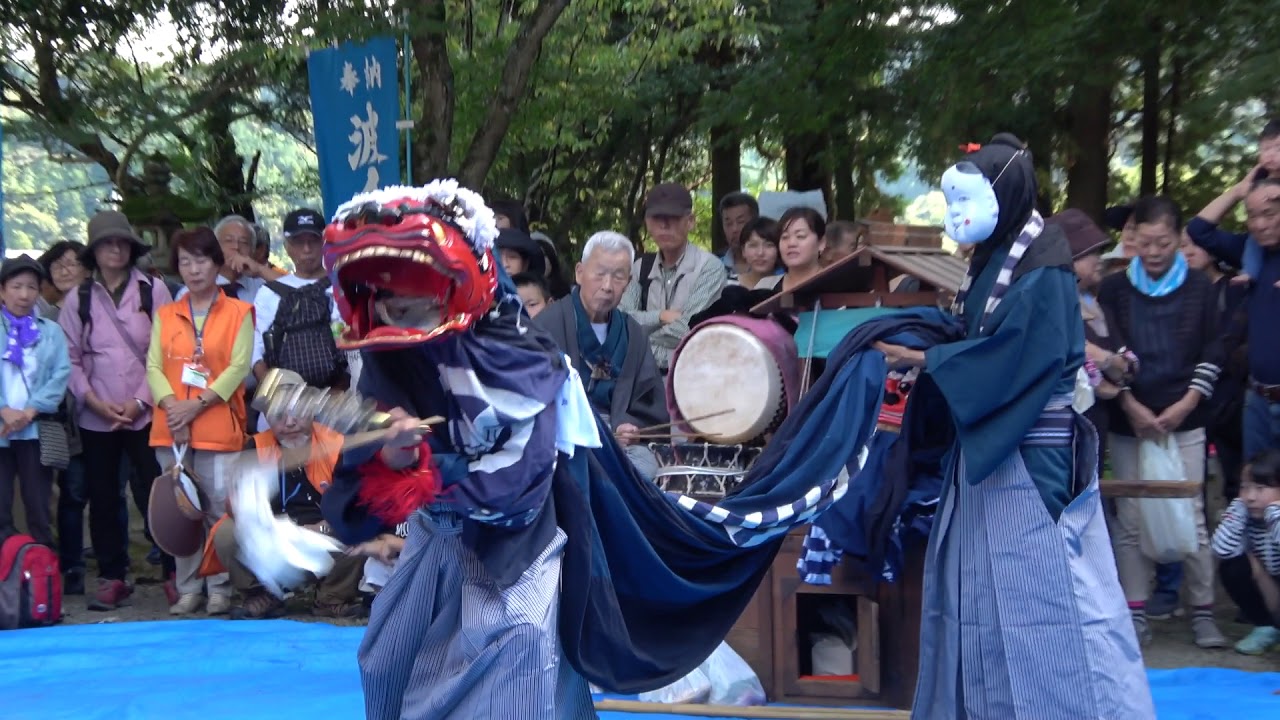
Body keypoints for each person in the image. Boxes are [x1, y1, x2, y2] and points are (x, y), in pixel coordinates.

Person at [873, 134, 1153, 719]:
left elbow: (1020, 353)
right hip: (992, 451)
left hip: (1032, 458)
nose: (956, 218)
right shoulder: (998, 256)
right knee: (980, 595)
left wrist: (932, 362)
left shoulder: (1045, 268)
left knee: (1045, 597)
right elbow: (980, 338)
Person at [1097, 196, 1228, 648]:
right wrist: (1131, 406)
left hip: (1185, 416)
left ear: (1178, 240)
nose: (1153, 252)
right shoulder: (1112, 290)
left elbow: (1214, 351)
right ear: (1131, 239)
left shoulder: (1201, 289)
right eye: (1145, 242)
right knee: (1131, 516)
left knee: (1190, 512)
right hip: (1130, 419)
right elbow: (1110, 354)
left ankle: (1203, 610)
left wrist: (1187, 404)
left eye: (1163, 243)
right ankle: (1135, 611)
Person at [59, 210, 176, 611]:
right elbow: (69, 358)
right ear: (94, 251)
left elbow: (164, 351)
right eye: (107, 243)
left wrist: (140, 400)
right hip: (96, 414)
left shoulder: (152, 290)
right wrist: (92, 400)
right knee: (104, 496)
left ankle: (174, 573)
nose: (115, 248)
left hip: (145, 410)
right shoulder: (78, 298)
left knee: (156, 492)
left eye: (122, 242)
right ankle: (113, 575)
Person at [147, 226, 255, 616]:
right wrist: (171, 403)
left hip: (215, 422)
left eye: (201, 260)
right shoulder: (166, 314)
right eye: (185, 262)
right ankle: (188, 587)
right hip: (172, 426)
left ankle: (220, 586)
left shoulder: (239, 311)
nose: (193, 270)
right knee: (180, 511)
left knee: (215, 510)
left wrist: (198, 404)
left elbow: (238, 367)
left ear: (217, 264)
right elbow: (154, 365)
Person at [534, 231, 668, 480]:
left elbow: (650, 401)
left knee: (644, 468)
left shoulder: (633, 333)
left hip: (618, 437)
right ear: (579, 272)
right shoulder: (547, 325)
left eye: (618, 277)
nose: (607, 286)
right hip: (565, 438)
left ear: (627, 283)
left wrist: (632, 427)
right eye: (599, 274)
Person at [209, 410, 365, 620]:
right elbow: (240, 506)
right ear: (267, 419)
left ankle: (332, 598)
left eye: (297, 414)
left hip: (324, 531)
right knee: (227, 532)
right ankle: (261, 596)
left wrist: (322, 526)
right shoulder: (255, 447)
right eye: (280, 416)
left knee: (359, 527)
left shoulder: (336, 443)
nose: (290, 423)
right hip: (274, 535)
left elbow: (353, 502)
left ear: (311, 412)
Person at [0, 256, 71, 547]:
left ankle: (42, 576)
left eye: (31, 286)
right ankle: (7, 580)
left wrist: (30, 411)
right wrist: (4, 409)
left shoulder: (50, 331)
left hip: (35, 429)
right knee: (1, 507)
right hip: (2, 429)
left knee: (39, 507)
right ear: (2, 291)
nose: (24, 294)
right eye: (16, 286)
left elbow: (61, 374)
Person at [620, 182, 726, 373]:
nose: (664, 225)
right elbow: (621, 319)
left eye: (674, 218)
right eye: (657, 217)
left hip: (693, 376)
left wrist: (634, 344)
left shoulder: (709, 268)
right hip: (644, 382)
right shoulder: (640, 267)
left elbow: (688, 330)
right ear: (647, 222)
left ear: (691, 221)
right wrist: (661, 316)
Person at [1212, 449, 1280, 656]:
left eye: (1260, 488)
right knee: (1233, 565)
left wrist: (1275, 512)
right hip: (1273, 592)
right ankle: (1266, 626)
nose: (1250, 497)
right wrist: (1237, 510)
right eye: (1244, 488)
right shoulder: (1245, 515)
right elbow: (1221, 549)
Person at [755, 207, 826, 292]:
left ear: (821, 243)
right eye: (785, 237)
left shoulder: (835, 285)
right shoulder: (765, 286)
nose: (791, 243)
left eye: (800, 236)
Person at [730, 217, 781, 289]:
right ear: (743, 251)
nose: (760, 253)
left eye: (769, 245)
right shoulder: (728, 284)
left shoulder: (787, 287)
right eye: (753, 245)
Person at [718, 191, 759, 275]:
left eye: (741, 222)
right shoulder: (713, 265)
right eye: (728, 224)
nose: (734, 229)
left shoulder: (775, 267)